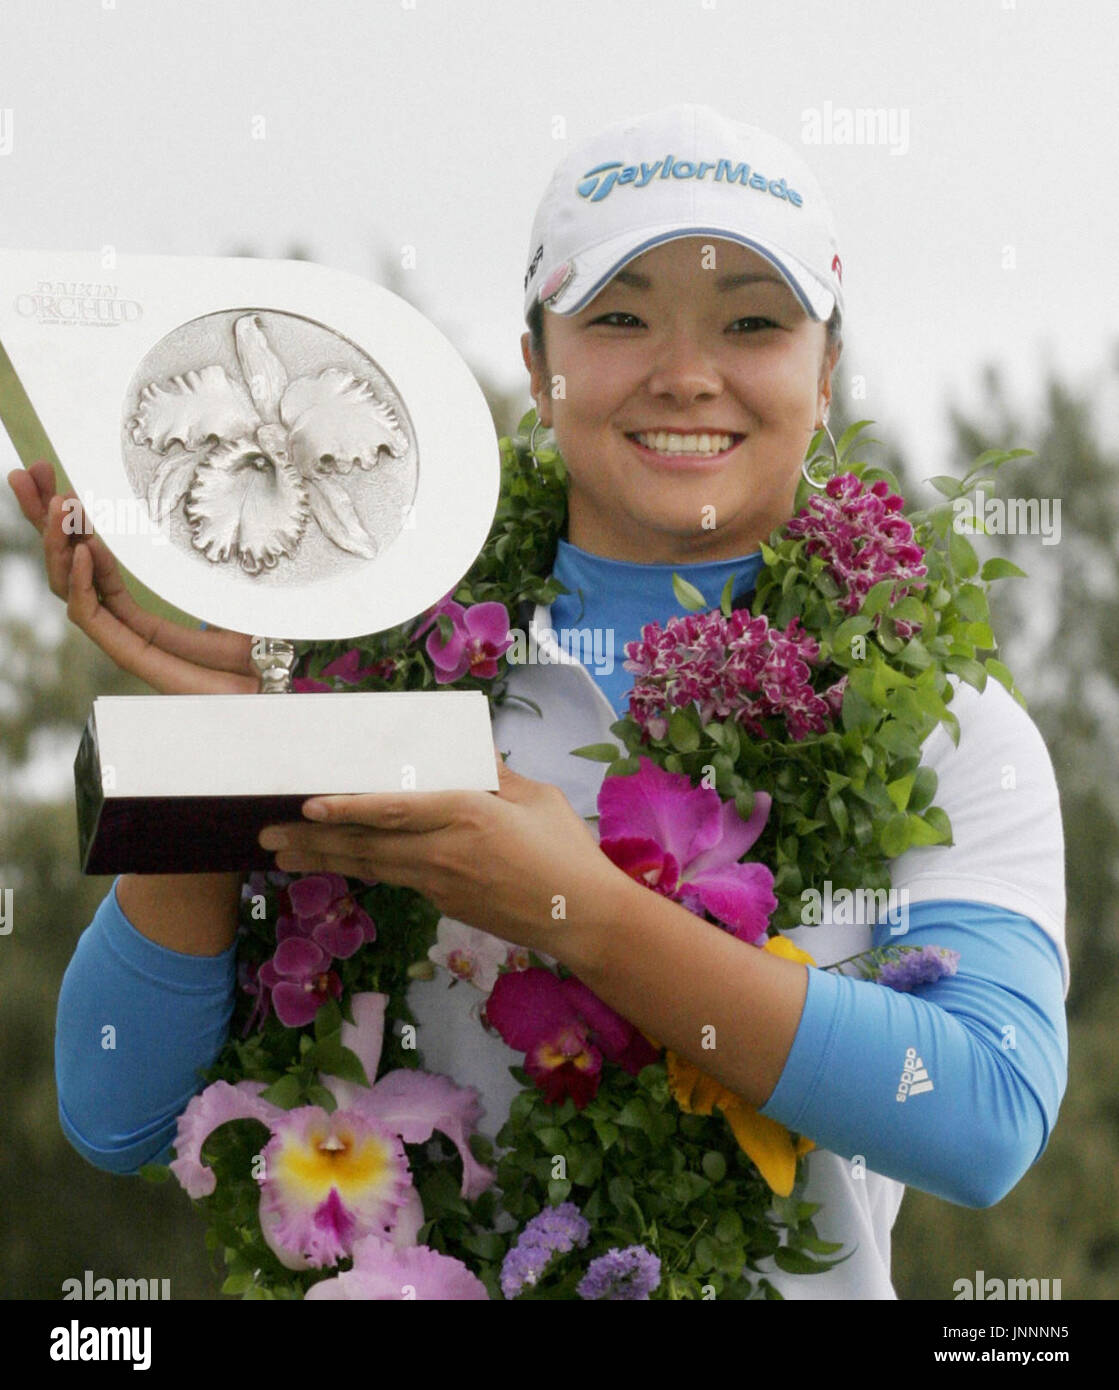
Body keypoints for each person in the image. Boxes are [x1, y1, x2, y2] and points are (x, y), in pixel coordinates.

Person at [12, 103, 1068, 1300]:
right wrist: (236, 751)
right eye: (618, 317)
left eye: (752, 323)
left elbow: (984, 1115)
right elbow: (115, 1111)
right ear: (536, 364)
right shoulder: (377, 667)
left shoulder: (934, 723)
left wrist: (580, 913)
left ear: (825, 373)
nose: (686, 374)